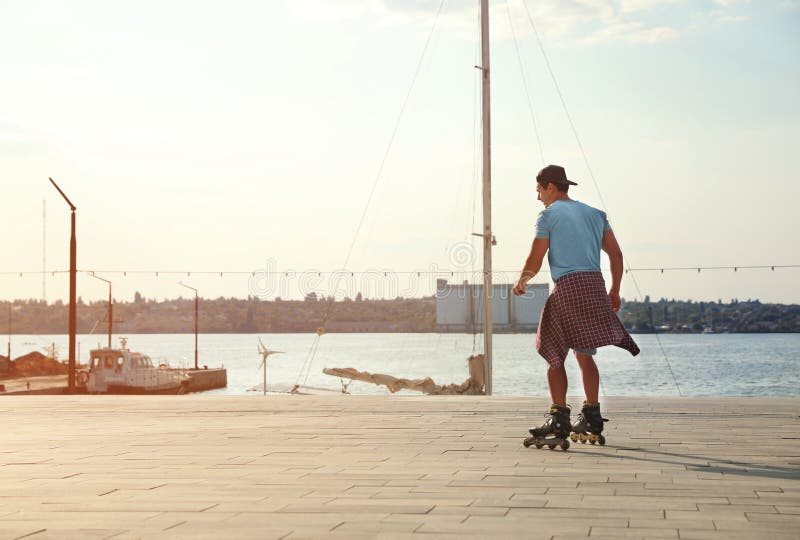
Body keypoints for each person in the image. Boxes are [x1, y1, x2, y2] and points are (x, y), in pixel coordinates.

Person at [513, 164, 640, 444]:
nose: (538, 197)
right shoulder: (596, 214)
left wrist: (522, 280)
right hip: (594, 286)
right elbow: (616, 256)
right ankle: (592, 416)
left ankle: (558, 421)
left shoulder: (548, 215)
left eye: (538, 190)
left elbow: (536, 258)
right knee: (584, 353)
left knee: (551, 350)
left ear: (550, 186)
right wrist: (614, 290)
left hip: (569, 286)